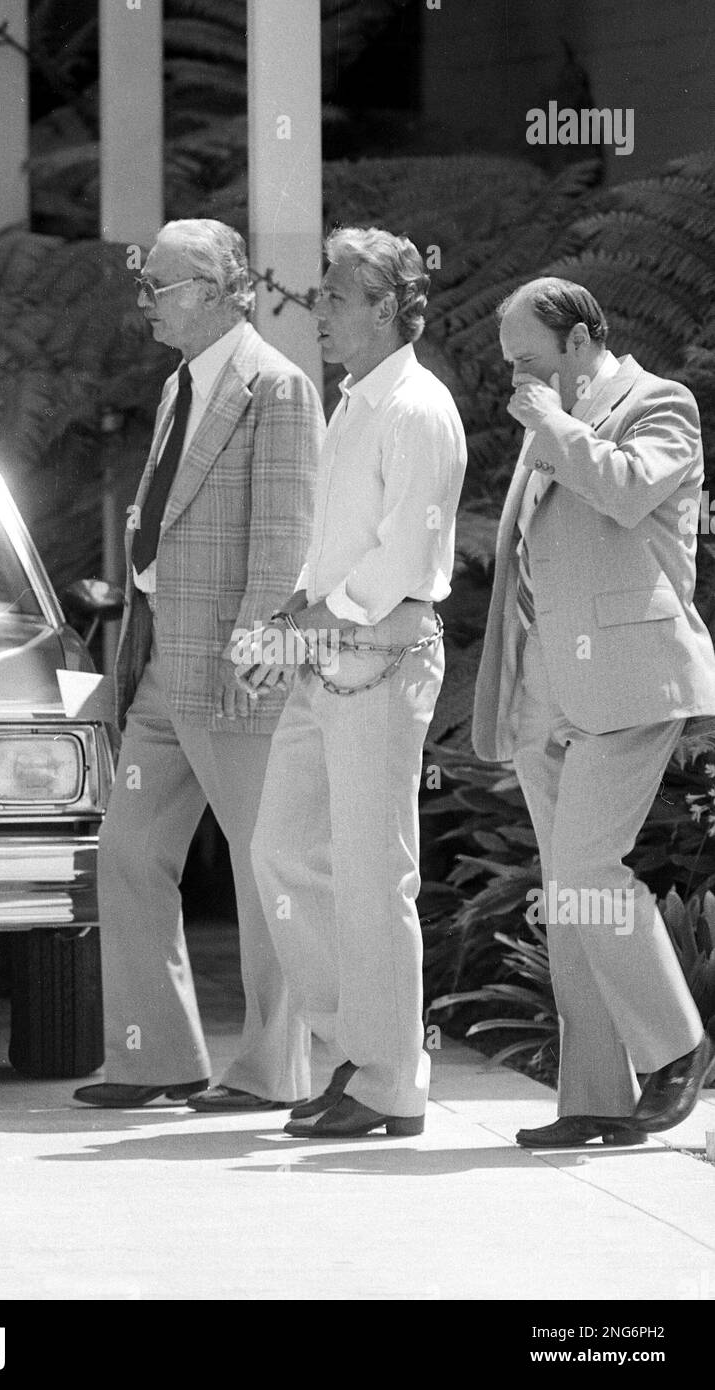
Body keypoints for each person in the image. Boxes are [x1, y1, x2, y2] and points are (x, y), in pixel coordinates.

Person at [75, 218, 323, 1112]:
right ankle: (154, 1060)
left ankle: (270, 1073)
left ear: (227, 292)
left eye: (164, 285)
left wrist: (256, 645)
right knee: (130, 849)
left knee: (266, 873)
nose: (146, 300)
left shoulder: (277, 387)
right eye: (147, 283)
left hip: (233, 662)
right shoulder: (179, 383)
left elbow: (286, 537)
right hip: (160, 661)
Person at [472, 276, 715, 1148]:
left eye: (529, 362)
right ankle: (594, 1101)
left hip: (630, 675)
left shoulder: (660, 403)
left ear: (580, 342)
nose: (518, 383)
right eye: (508, 369)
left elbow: (624, 491)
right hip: (550, 688)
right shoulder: (552, 423)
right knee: (568, 893)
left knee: (584, 871)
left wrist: (549, 421)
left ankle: (677, 1045)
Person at [245, 227, 467, 1138]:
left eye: (334, 297)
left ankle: (387, 1081)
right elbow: (337, 542)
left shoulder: (418, 408)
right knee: (280, 851)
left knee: (377, 877)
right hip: (329, 654)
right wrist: (298, 612)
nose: (317, 310)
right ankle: (359, 1052)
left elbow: (399, 562)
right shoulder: (357, 403)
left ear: (386, 308)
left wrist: (308, 621)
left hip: (378, 656)